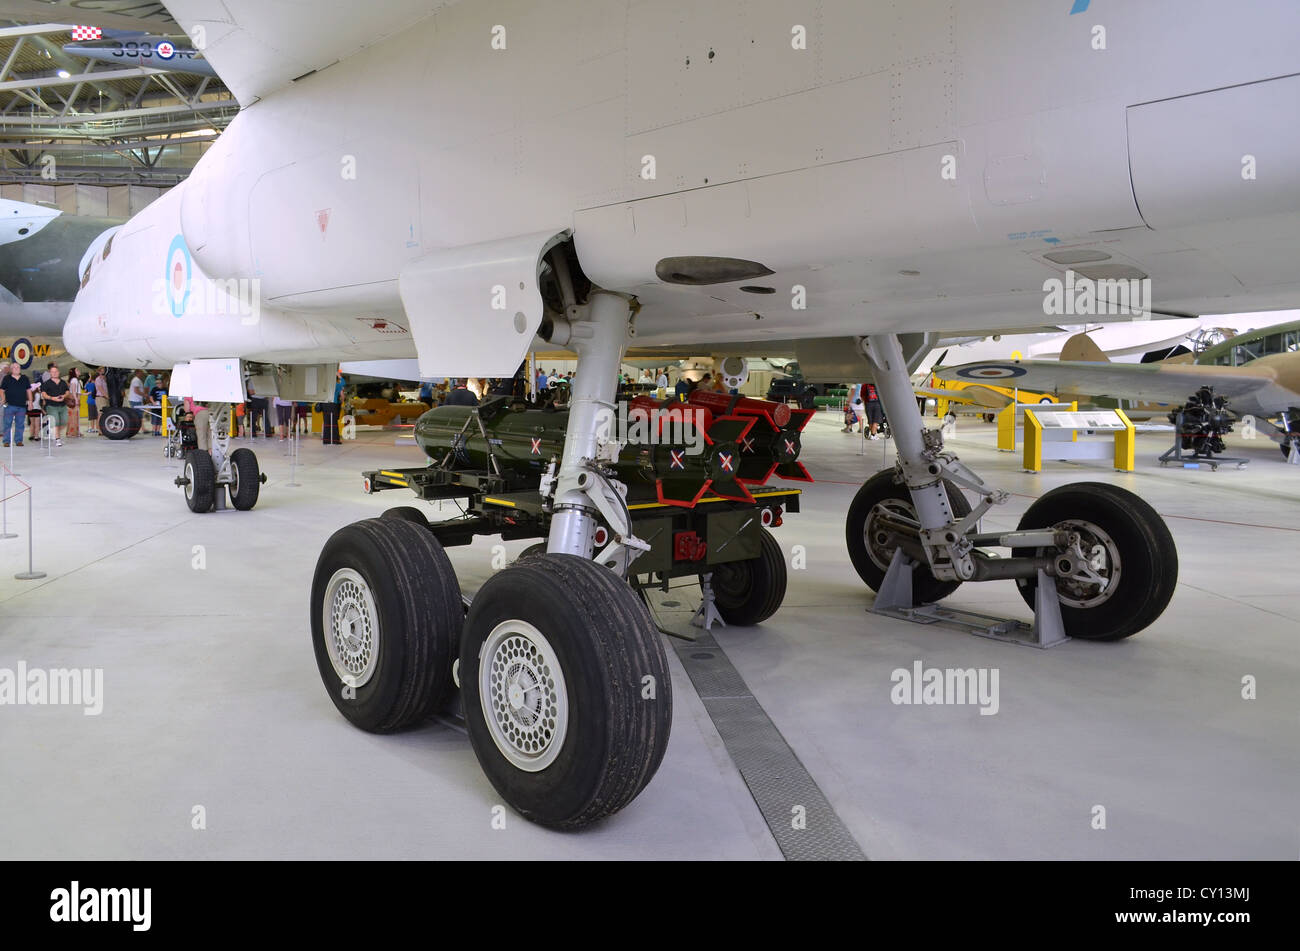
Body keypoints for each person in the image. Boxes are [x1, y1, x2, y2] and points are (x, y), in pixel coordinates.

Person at [40, 364, 71, 446]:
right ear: (50, 373)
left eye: (56, 371)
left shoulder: (63, 382)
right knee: (56, 422)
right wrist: (52, 398)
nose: (54, 373)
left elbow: (67, 392)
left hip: (63, 405)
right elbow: (43, 394)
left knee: (64, 421)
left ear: (58, 372)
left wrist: (64, 396)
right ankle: (58, 439)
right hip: (51, 405)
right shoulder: (46, 383)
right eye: (52, 372)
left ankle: (54, 433)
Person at [2, 361, 30, 447]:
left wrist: (30, 402)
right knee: (7, 424)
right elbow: (1, 390)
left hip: (21, 405)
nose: (16, 369)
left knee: (20, 424)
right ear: (11, 369)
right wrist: (3, 399)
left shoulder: (25, 378)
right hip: (9, 405)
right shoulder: (7, 378)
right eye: (14, 367)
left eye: (18, 367)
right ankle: (6, 441)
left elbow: (28, 390)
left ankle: (18, 441)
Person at [321, 373, 345, 444]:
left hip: (325, 404)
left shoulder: (325, 385)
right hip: (333, 405)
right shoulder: (337, 385)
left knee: (326, 422)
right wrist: (339, 375)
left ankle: (326, 440)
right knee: (334, 422)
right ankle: (335, 440)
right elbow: (342, 395)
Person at [66, 368, 82, 437]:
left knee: (75, 416)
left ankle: (75, 432)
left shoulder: (75, 380)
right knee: (73, 417)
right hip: (74, 400)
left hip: (76, 398)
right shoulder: (74, 380)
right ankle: (72, 432)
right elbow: (73, 391)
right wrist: (76, 400)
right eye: (77, 370)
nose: (79, 371)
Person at [84, 368, 99, 435]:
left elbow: (85, 390)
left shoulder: (89, 384)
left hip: (90, 401)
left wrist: (89, 379)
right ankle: (97, 428)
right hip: (97, 401)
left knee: (91, 416)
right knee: (97, 415)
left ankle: (92, 428)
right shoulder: (97, 383)